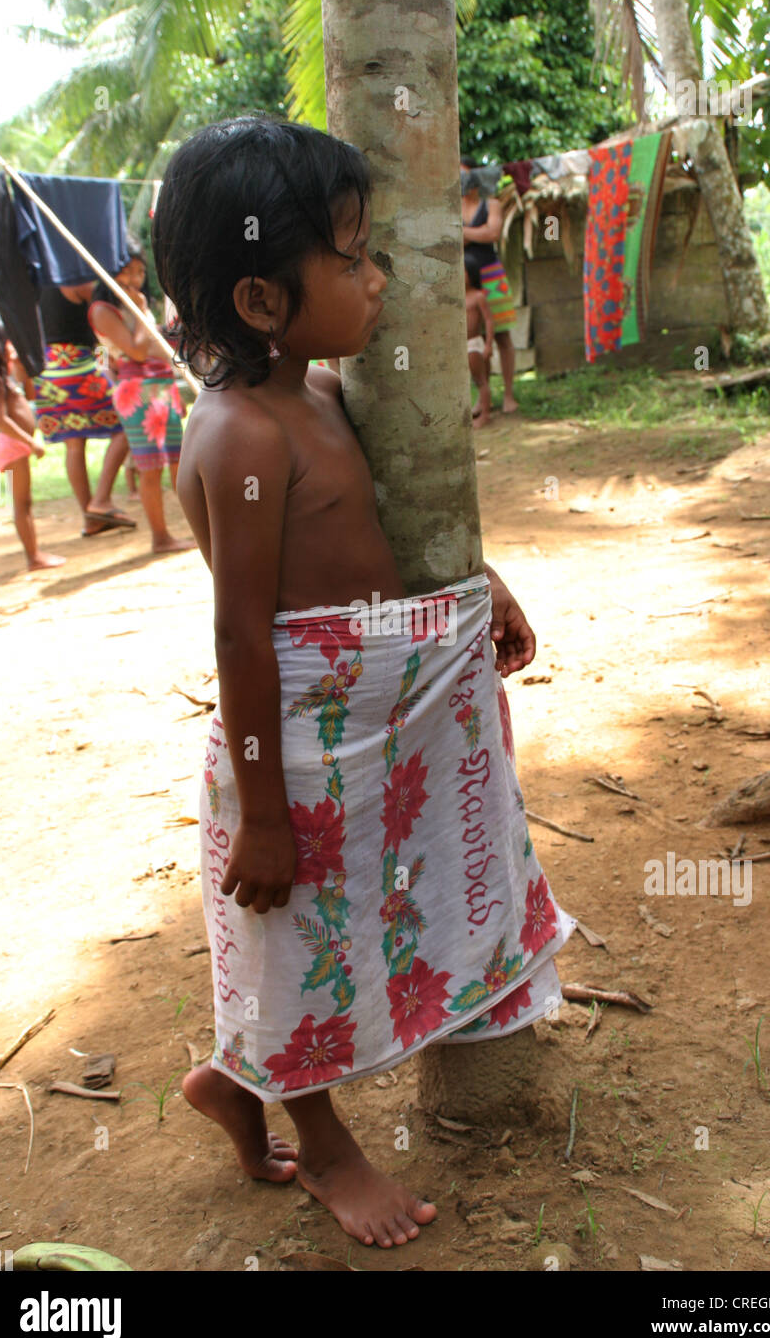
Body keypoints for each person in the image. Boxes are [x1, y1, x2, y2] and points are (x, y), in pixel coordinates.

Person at [152, 116, 573, 1250]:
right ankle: (326, 1146)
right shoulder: (241, 434)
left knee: (362, 919)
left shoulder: (328, 395)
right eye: (351, 258)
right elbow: (243, 636)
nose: (378, 278)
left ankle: (237, 1089)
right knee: (294, 940)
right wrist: (268, 815)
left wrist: (475, 580)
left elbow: (399, 517)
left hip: (374, 741)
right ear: (259, 299)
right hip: (291, 751)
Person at [87, 239, 194, 555]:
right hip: (137, 392)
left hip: (162, 386)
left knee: (179, 464)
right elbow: (134, 350)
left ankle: (197, 529)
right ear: (110, 271)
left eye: (139, 272)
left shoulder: (133, 304)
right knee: (151, 468)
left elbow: (157, 349)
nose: (134, 279)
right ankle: (160, 538)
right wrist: (143, 312)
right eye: (127, 271)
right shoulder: (103, 310)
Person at [34, 283, 135, 537]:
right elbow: (95, 330)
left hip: (48, 369)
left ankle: (91, 519)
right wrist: (106, 364)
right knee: (127, 425)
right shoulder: (78, 279)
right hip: (78, 366)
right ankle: (101, 500)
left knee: (74, 445)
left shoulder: (37, 279)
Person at [0, 317, 65, 570]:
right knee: (22, 504)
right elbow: (1, 421)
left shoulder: (3, 376)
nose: (10, 348)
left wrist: (22, 368)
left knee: (25, 503)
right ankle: (33, 557)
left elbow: (30, 396)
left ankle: (35, 553)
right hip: (14, 447)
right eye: (6, 344)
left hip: (17, 446)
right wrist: (31, 443)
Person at [461, 158, 519, 415]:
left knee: (503, 335)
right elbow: (481, 234)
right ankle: (483, 399)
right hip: (467, 281)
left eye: (467, 176)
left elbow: (493, 233)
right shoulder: (454, 207)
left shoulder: (491, 203)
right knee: (474, 339)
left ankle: (508, 395)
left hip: (493, 275)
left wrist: (463, 233)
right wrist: (476, 232)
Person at [464, 254, 494, 428]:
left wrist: (489, 344)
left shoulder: (478, 296)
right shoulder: (459, 297)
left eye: (464, 272)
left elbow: (489, 320)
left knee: (481, 379)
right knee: (474, 380)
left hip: (475, 342)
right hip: (464, 343)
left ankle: (486, 414)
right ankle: (478, 409)